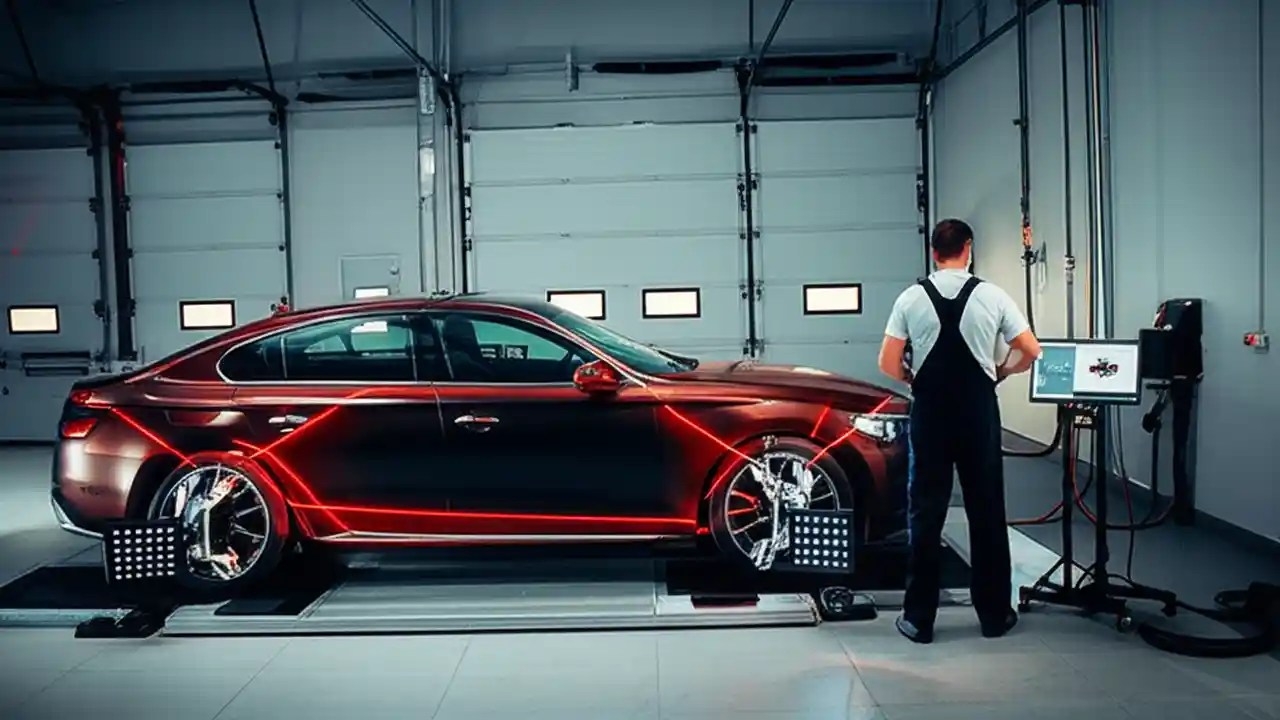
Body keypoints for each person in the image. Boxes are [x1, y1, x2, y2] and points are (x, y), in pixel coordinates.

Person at [877, 218, 1042, 643]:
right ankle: (993, 616)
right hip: (977, 414)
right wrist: (1001, 372)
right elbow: (1031, 350)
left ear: (933, 252)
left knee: (925, 514)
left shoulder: (911, 298)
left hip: (931, 415)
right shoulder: (992, 295)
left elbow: (888, 364)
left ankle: (918, 619)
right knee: (986, 512)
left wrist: (913, 379)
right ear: (968, 248)